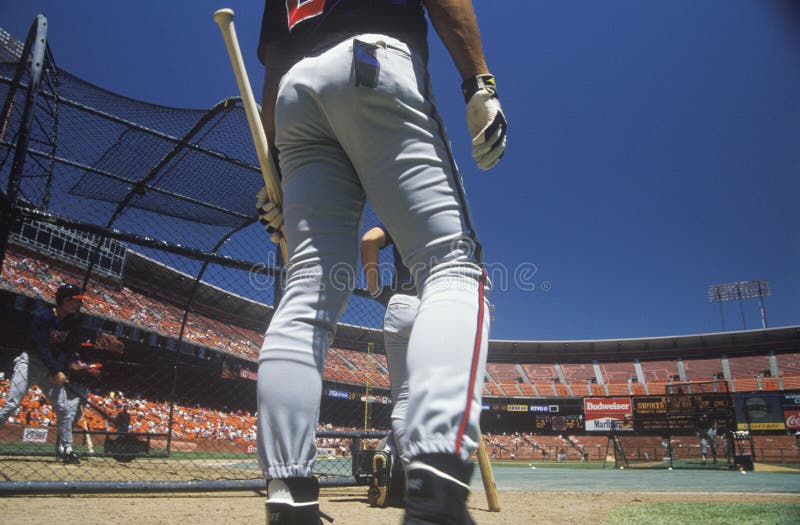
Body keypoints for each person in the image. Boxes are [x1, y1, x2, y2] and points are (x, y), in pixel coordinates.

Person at [254, 1, 508, 523]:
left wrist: (274, 165)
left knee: (306, 290)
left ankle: (288, 495)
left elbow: (276, 60)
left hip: (295, 95)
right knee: (453, 266)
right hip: (372, 59)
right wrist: (478, 82)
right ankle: (436, 482)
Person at [0, 284, 120, 464]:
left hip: (53, 367)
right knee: (12, 404)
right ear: (65, 300)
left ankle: (67, 449)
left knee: (64, 410)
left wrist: (63, 368)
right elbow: (42, 346)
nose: (77, 306)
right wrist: (55, 370)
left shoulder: (72, 323)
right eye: (75, 302)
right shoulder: (43, 317)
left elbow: (68, 349)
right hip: (31, 362)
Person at [361, 225, 418, 507]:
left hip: (401, 304)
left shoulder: (399, 211)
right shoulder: (451, 217)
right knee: (439, 397)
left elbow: (369, 239)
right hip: (440, 306)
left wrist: (374, 289)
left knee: (404, 399)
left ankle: (394, 456)